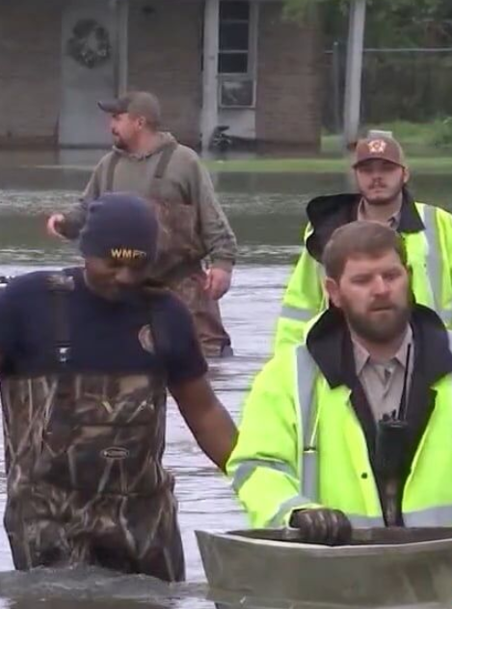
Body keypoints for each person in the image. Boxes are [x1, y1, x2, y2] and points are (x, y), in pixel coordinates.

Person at [0, 192, 236, 583]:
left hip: (144, 519)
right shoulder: (26, 303)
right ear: (86, 252)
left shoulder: (167, 315)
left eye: (139, 266)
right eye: (113, 264)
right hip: (47, 517)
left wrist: (254, 477)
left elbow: (205, 412)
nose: (126, 277)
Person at [228, 221, 450, 545]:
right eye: (362, 280)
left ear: (410, 278)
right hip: (336, 577)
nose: (381, 289)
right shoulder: (288, 376)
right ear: (334, 293)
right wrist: (296, 512)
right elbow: (255, 467)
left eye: (391, 276)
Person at [46, 91, 237, 358]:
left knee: (208, 356)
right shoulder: (108, 165)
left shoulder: (184, 161)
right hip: (124, 286)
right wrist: (65, 222)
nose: (110, 126)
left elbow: (212, 216)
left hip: (181, 282)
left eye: (117, 118)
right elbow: (87, 209)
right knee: (117, 355)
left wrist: (222, 265)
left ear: (140, 122)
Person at [273, 133, 452, 352]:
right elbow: (301, 303)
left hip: (429, 353)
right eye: (367, 170)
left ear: (404, 174)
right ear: (355, 175)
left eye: (386, 168)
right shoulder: (325, 229)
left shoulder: (441, 224)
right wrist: (287, 358)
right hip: (343, 357)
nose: (376, 177)